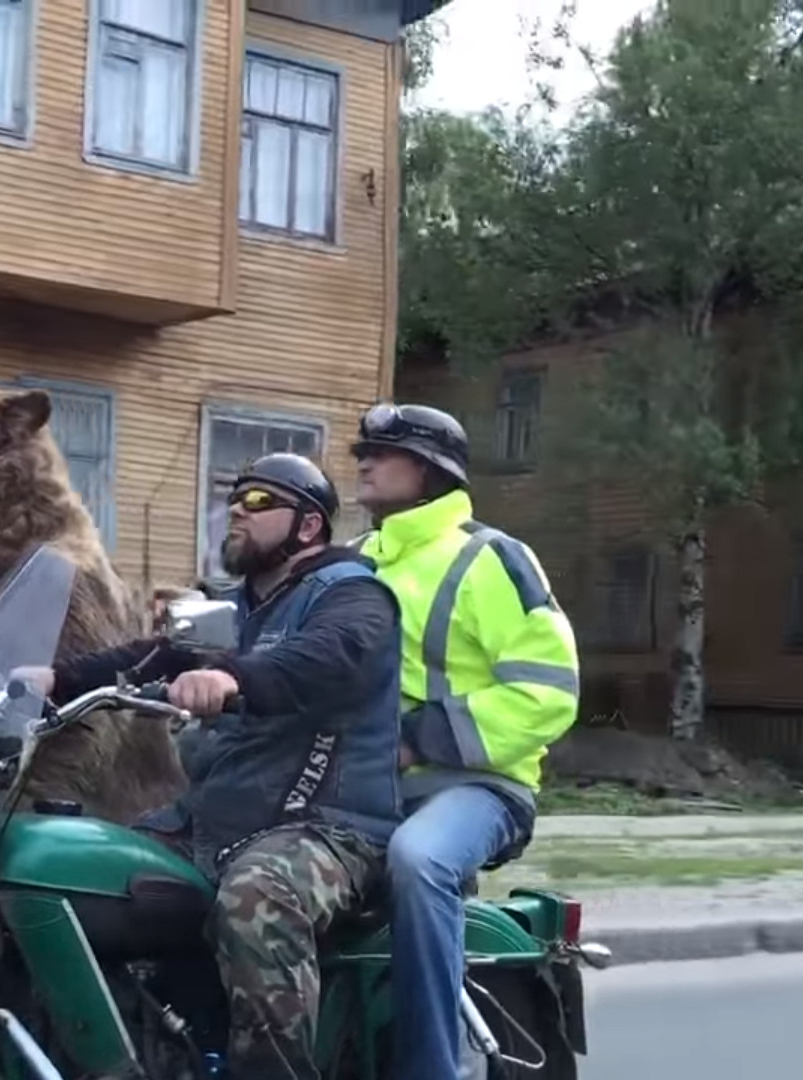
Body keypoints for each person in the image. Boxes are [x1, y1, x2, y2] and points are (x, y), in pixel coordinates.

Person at [22, 453, 404, 1080]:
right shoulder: (234, 609)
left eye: (258, 502)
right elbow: (157, 656)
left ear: (308, 527)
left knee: (260, 898)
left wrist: (230, 675)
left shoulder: (354, 595)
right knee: (75, 868)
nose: (236, 510)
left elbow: (323, 660)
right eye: (234, 498)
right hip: (216, 818)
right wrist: (57, 678)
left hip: (327, 825)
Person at [347, 402, 581, 1080]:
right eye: (362, 448)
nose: (362, 459)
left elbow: (549, 691)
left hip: (479, 786)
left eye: (380, 451)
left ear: (426, 470)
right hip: (361, 782)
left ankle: (431, 1070)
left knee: (418, 861)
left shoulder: (492, 558)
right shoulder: (356, 561)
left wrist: (417, 741)